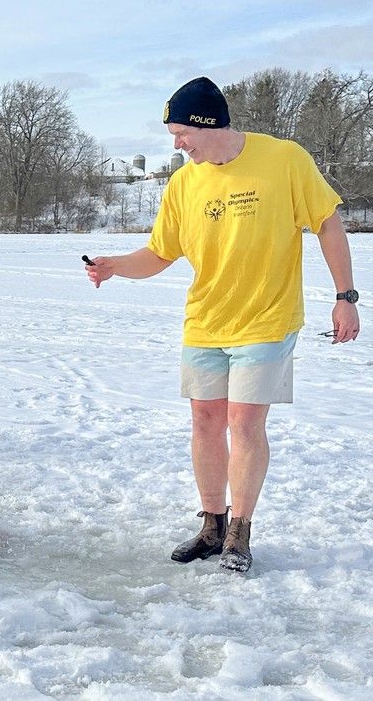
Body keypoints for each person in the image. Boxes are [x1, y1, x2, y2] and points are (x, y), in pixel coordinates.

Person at [85, 76, 360, 573]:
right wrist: (114, 265)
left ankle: (240, 532)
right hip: (206, 322)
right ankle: (211, 525)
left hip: (267, 320)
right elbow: (159, 253)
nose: (176, 144)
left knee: (244, 423)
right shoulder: (184, 183)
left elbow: (327, 222)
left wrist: (345, 297)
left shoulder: (284, 159)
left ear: (207, 123)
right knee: (205, 422)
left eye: (180, 133)